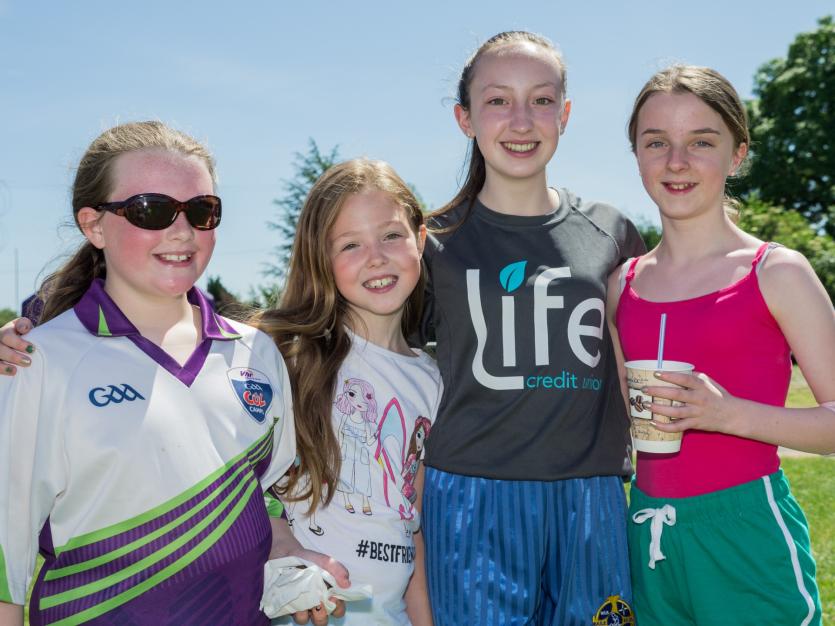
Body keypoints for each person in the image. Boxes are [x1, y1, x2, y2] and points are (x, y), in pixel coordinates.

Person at [0, 121, 343, 626]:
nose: (182, 232)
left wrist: (296, 565)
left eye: (202, 211)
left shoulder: (257, 355)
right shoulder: (37, 362)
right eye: (151, 210)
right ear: (94, 226)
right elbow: (7, 564)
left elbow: (261, 507)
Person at [417, 31, 645, 625]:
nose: (521, 120)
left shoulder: (611, 233)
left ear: (564, 115)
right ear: (465, 118)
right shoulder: (430, 242)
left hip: (591, 499)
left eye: (541, 100)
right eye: (497, 101)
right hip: (471, 501)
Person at [607, 65, 834, 625]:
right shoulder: (621, 284)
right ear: (636, 154)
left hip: (746, 530)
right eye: (656, 142)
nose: (676, 162)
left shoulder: (776, 272)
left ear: (737, 154)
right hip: (647, 534)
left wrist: (725, 413)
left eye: (701, 142)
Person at [251, 158, 441, 625]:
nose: (376, 257)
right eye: (351, 244)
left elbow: (413, 525)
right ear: (321, 258)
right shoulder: (284, 355)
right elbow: (240, 488)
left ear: (420, 240)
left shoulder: (435, 378)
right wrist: (286, 547)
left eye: (391, 235)